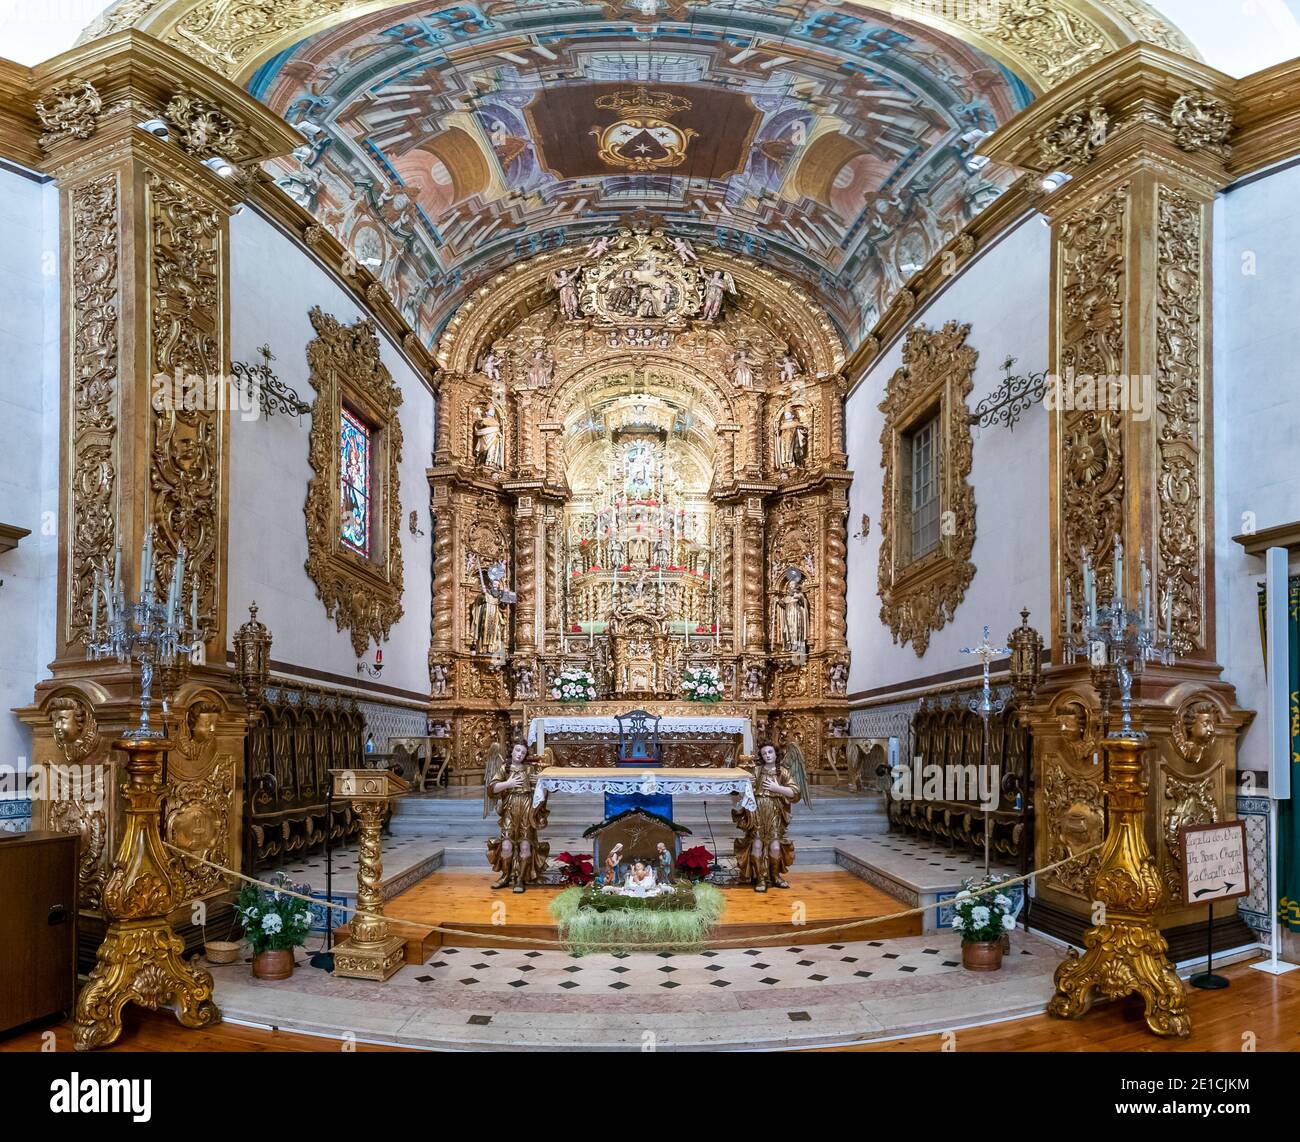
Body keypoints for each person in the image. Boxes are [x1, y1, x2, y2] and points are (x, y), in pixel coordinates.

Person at [732, 743, 801, 892]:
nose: (768, 755)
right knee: (757, 844)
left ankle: (775, 876)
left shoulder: (782, 772)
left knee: (775, 846)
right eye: (764, 753)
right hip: (757, 811)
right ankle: (760, 878)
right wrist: (744, 787)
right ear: (761, 757)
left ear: (776, 754)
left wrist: (778, 788)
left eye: (770, 752)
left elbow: (795, 792)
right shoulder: (756, 771)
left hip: (775, 811)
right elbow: (743, 791)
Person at [484, 743, 550, 893]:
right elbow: (491, 789)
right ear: (512, 751)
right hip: (510, 808)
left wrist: (539, 784)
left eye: (523, 752)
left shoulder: (529, 769)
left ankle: (520, 879)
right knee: (506, 846)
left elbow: (541, 791)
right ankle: (506, 875)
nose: (519, 754)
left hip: (526, 808)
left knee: (525, 846)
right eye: (517, 750)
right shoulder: (504, 769)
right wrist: (508, 783)